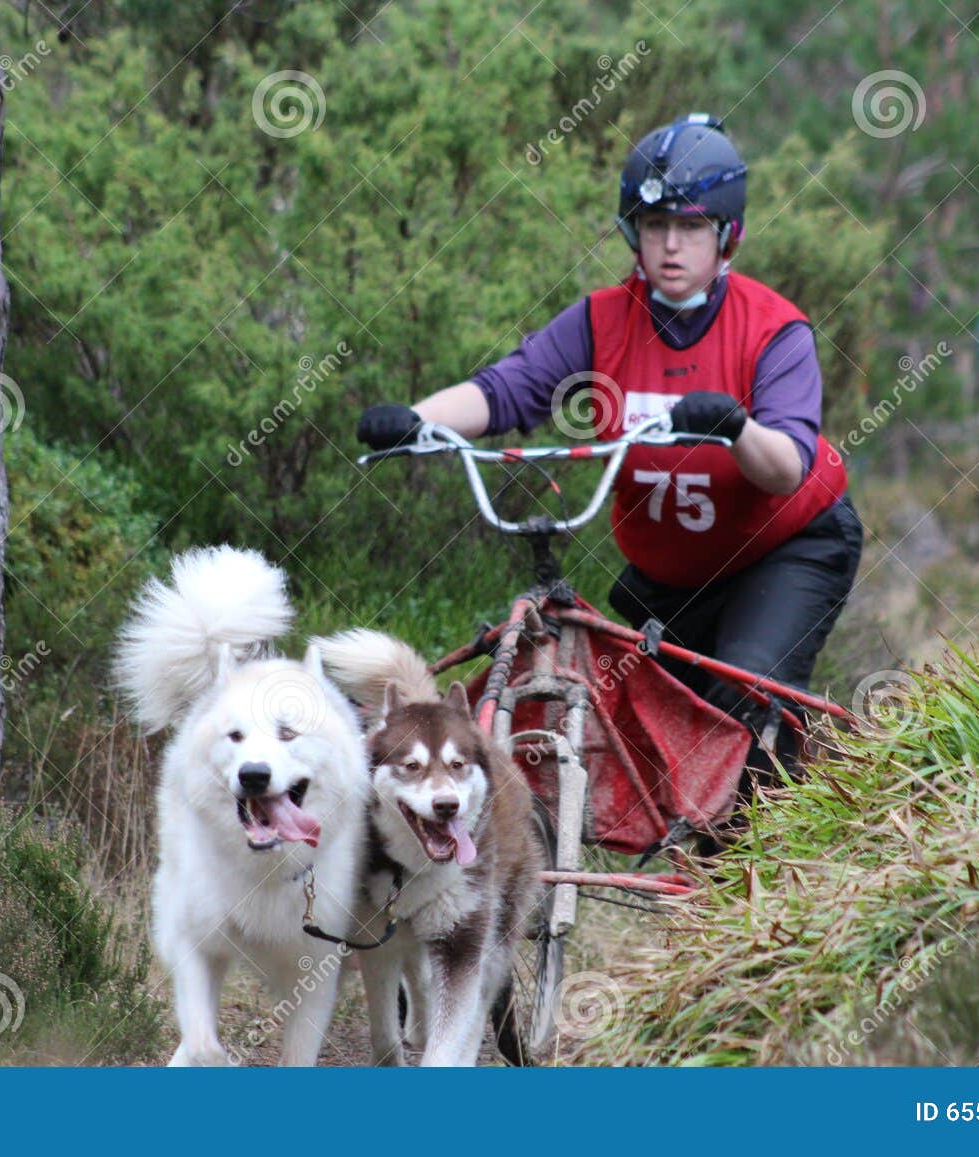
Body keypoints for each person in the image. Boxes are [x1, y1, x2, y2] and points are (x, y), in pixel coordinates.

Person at [356, 113, 864, 785]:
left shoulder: (774, 330)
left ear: (727, 237)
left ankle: (767, 876)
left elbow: (786, 469)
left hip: (781, 551)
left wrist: (736, 426)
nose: (671, 247)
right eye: (655, 228)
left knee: (744, 703)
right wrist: (416, 421)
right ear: (635, 233)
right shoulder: (603, 320)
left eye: (690, 228)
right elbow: (507, 391)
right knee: (670, 743)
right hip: (670, 572)